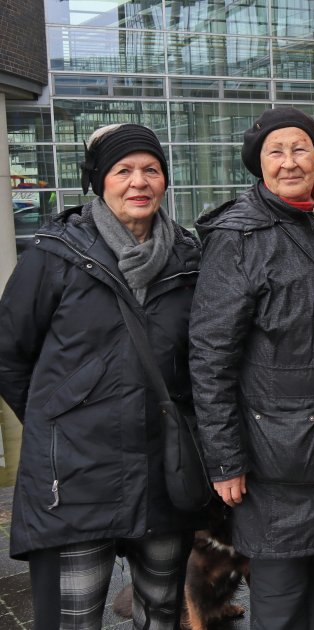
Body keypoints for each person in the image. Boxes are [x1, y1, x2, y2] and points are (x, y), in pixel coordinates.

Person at [0, 123, 200, 629]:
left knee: (162, 614)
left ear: (165, 179)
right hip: (74, 477)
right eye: (123, 170)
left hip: (162, 474)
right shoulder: (55, 254)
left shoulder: (188, 258)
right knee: (75, 620)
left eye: (151, 170)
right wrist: (57, 416)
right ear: (99, 181)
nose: (139, 182)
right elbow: (9, 353)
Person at [189, 107, 314, 630]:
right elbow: (210, 356)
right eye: (276, 152)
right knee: (281, 603)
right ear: (259, 164)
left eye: (300, 149)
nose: (289, 162)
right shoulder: (238, 237)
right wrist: (225, 460)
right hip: (274, 457)